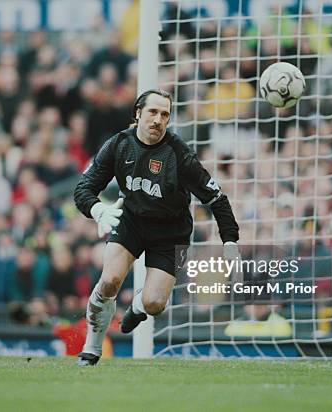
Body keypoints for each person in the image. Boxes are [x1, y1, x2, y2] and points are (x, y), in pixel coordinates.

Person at [73, 89, 240, 365]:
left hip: (170, 233)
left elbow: (217, 198)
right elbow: (84, 188)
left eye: (165, 114)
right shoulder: (119, 145)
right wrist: (97, 208)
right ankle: (91, 348)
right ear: (138, 113)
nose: (158, 119)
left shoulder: (180, 155)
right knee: (110, 280)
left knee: (155, 304)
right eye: (153, 112)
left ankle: (138, 306)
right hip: (131, 222)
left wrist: (230, 241)